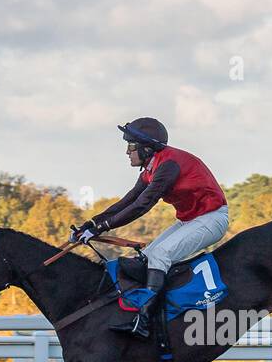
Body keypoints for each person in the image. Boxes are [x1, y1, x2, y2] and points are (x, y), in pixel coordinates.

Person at [70, 118, 229, 339]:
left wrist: (102, 228)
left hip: (211, 219)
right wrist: (92, 223)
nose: (127, 152)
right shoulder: (151, 168)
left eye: (131, 146)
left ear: (146, 148)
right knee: (148, 256)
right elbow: (127, 200)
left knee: (161, 254)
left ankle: (144, 321)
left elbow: (142, 204)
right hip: (191, 220)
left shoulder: (168, 166)